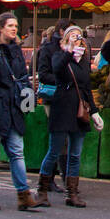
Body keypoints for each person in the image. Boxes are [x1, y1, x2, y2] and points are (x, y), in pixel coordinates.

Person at [0, 13, 40, 211]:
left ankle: (23, 194)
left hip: (13, 108)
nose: (14, 29)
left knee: (17, 152)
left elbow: (22, 78)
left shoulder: (16, 50)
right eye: (10, 25)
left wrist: (29, 99)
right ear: (0, 28)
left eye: (16, 25)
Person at [36, 26, 95, 207]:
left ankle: (72, 192)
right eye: (72, 35)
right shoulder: (59, 56)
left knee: (75, 153)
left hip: (78, 110)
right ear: (64, 39)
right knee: (54, 151)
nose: (76, 39)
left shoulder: (83, 61)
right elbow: (57, 69)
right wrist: (69, 52)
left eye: (78, 36)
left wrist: (94, 110)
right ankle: (42, 191)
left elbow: (86, 87)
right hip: (62, 109)